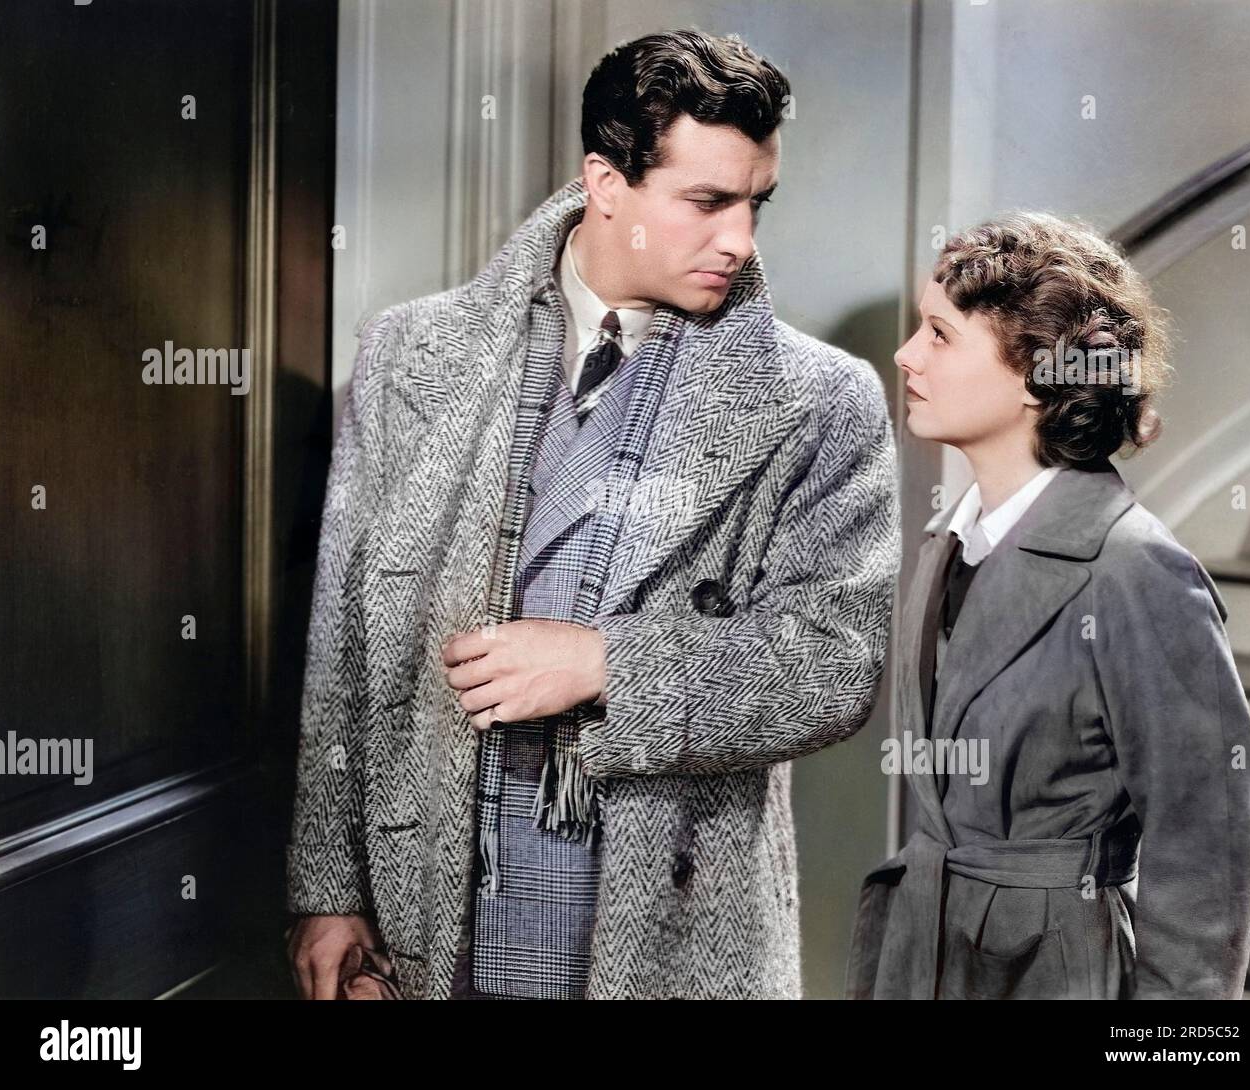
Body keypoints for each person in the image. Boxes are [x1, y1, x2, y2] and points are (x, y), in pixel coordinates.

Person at [287, 29, 900, 1001]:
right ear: (605, 182)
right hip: (434, 917)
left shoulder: (822, 402)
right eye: (705, 202)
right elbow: (345, 653)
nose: (738, 239)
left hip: (678, 931)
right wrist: (328, 891)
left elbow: (834, 664)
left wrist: (605, 665)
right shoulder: (410, 358)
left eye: (755, 203)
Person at [847, 211, 1250, 999]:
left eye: (938, 334)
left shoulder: (1135, 571)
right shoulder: (949, 541)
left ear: (1037, 373)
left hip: (1054, 970)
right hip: (922, 953)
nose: (905, 356)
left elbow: (1207, 852)